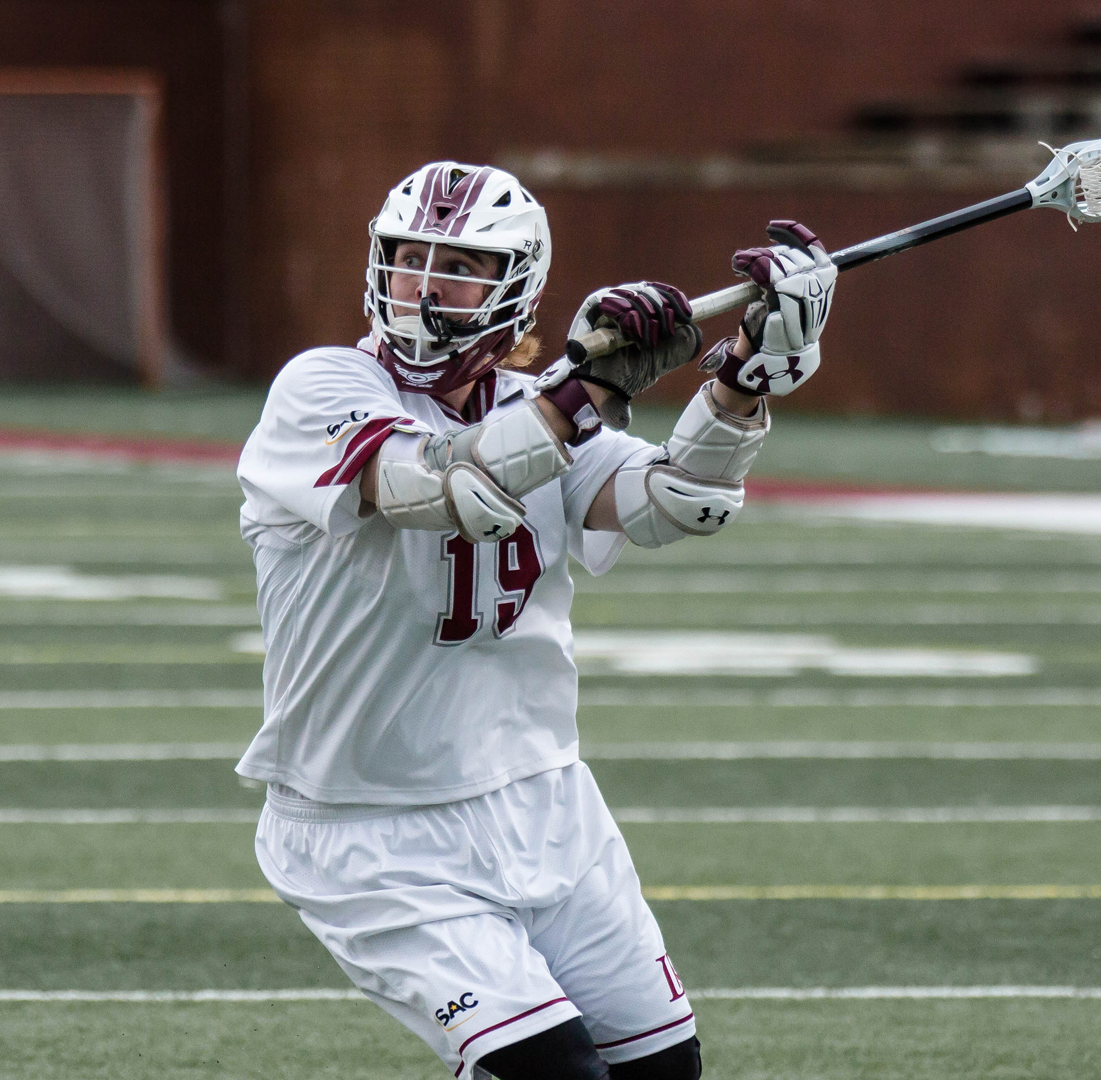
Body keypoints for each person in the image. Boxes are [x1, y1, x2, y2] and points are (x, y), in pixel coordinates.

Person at [233, 161, 836, 1080]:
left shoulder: (534, 403)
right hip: (370, 821)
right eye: (407, 259)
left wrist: (742, 384)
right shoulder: (320, 386)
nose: (424, 286)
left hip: (545, 798)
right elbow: (438, 483)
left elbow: (676, 503)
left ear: (513, 284)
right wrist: (585, 387)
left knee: (661, 1071)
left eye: (460, 266)